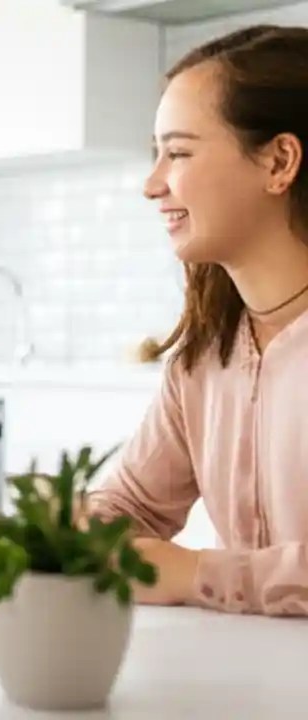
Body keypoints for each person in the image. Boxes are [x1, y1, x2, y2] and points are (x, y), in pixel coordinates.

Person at [88, 25, 308, 616]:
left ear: (279, 161)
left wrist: (197, 574)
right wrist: (73, 527)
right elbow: (133, 503)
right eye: (155, 154)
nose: (151, 184)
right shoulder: (207, 353)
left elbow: (189, 573)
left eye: (178, 153)